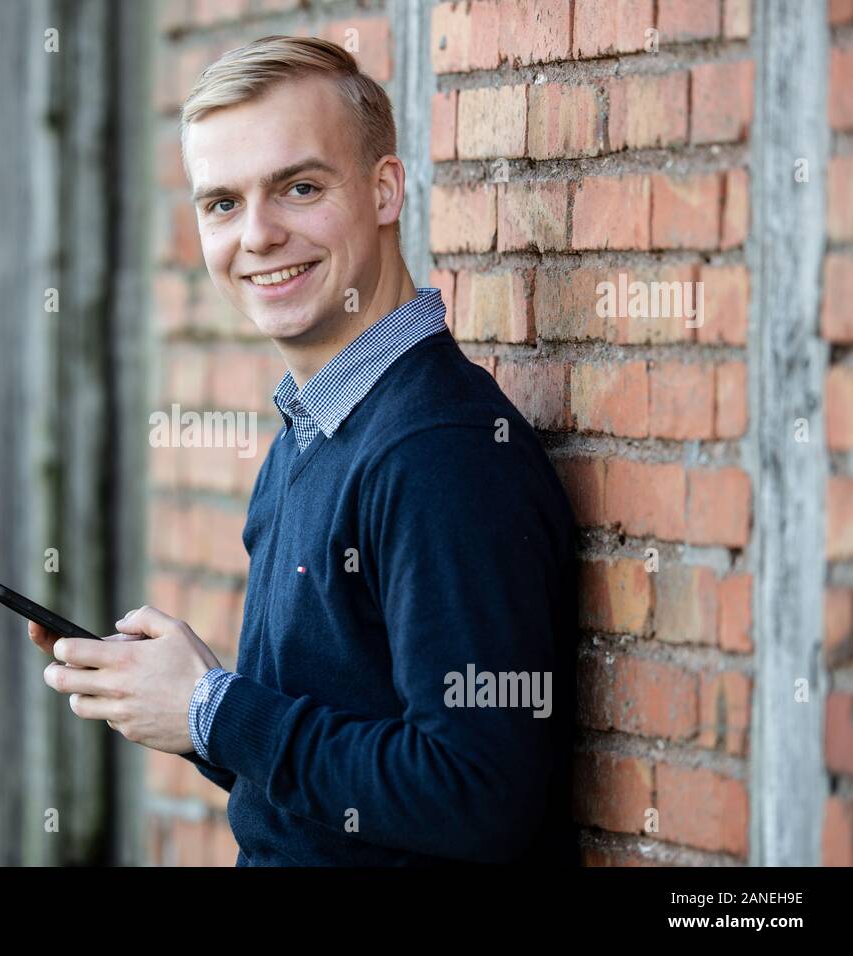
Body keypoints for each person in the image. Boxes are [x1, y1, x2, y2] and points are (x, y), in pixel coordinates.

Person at [30, 34, 578, 866]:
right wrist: (190, 707)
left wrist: (218, 709)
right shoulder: (313, 433)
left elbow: (475, 794)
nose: (258, 236)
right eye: (222, 204)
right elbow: (335, 801)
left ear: (385, 189)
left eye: (299, 187)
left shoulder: (439, 453)